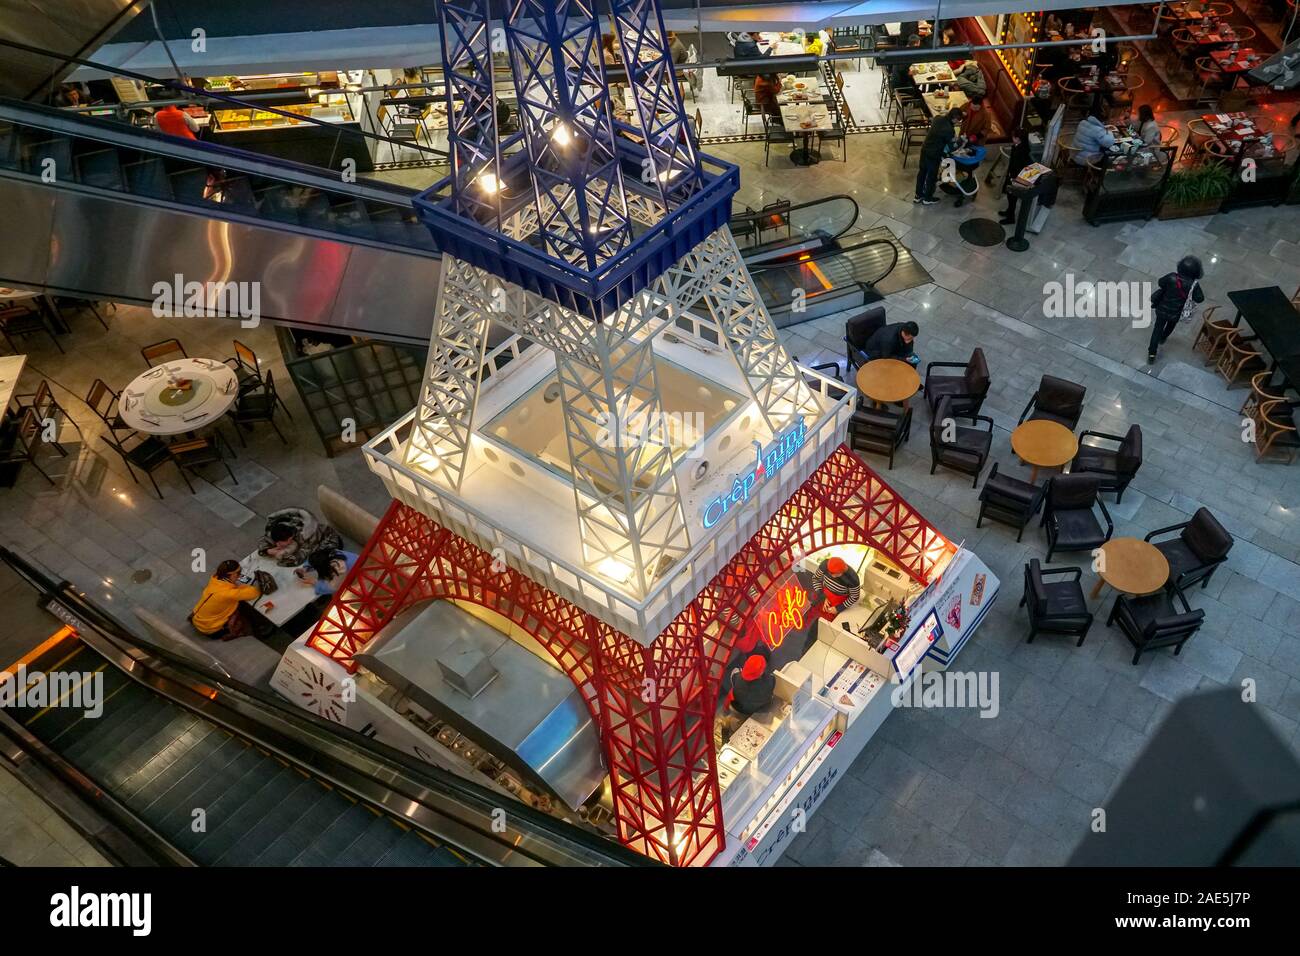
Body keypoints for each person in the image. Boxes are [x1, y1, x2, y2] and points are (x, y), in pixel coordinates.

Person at [1147, 256, 1205, 364]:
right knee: (1170, 326)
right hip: (1177, 312)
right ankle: (1163, 338)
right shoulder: (1194, 285)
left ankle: (1152, 354)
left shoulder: (1172, 277)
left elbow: (1160, 282)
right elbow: (1200, 298)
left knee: (1157, 329)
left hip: (1162, 309)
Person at [190, 560, 264, 640]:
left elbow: (233, 589)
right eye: (238, 573)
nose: (240, 576)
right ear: (231, 575)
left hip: (197, 619)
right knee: (243, 607)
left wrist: (238, 585)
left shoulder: (214, 580)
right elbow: (254, 592)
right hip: (210, 629)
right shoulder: (227, 593)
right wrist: (244, 587)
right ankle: (261, 628)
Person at [258, 507, 343, 568]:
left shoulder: (307, 536)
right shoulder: (279, 528)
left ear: (290, 539)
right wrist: (268, 550)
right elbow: (263, 540)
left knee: (316, 561)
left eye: (280, 543)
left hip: (327, 540)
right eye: (276, 542)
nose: (277, 545)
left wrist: (281, 554)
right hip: (308, 539)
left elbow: (298, 558)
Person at [914, 106, 962, 205]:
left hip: (925, 149)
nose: (958, 123)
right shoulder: (949, 130)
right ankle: (928, 198)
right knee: (931, 176)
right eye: (958, 121)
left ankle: (918, 196)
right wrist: (961, 141)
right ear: (954, 119)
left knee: (922, 173)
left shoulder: (937, 118)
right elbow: (953, 147)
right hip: (934, 154)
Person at [999, 126, 1034, 224]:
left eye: (1014, 137)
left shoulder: (1021, 151)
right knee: (1010, 197)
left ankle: (1011, 217)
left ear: (1018, 138)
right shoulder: (1018, 146)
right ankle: (1009, 212)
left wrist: (1013, 177)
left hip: (1016, 177)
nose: (1012, 138)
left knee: (1012, 197)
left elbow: (1018, 166)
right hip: (1012, 175)